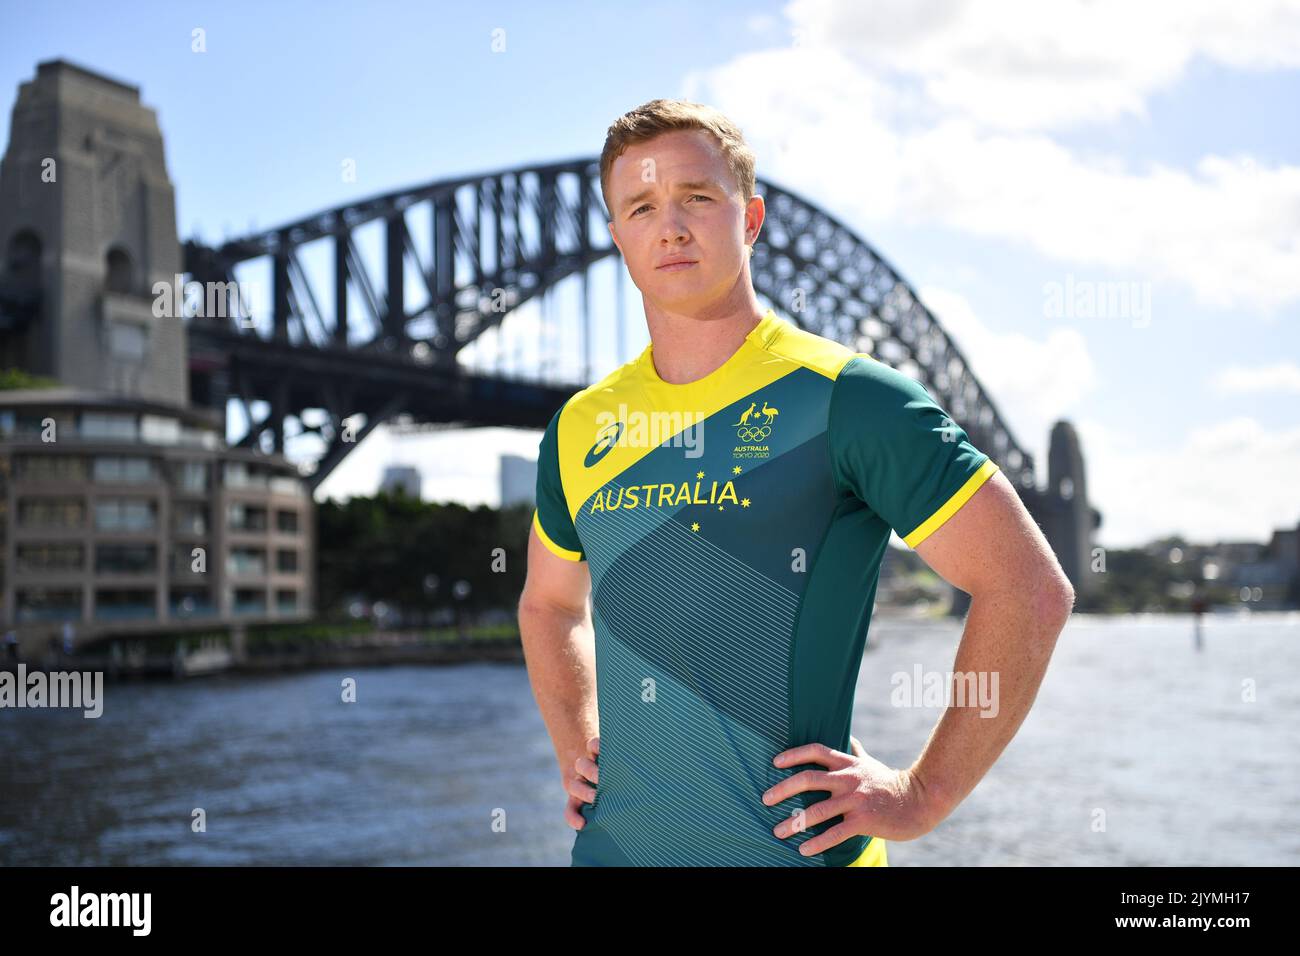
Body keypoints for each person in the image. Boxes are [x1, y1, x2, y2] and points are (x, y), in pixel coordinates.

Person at [517, 98, 1074, 866]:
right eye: (641, 207)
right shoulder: (580, 426)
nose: (670, 227)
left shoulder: (851, 398)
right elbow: (548, 603)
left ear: (750, 219)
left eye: (697, 199)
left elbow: (1030, 589)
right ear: (618, 239)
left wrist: (923, 794)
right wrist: (576, 740)